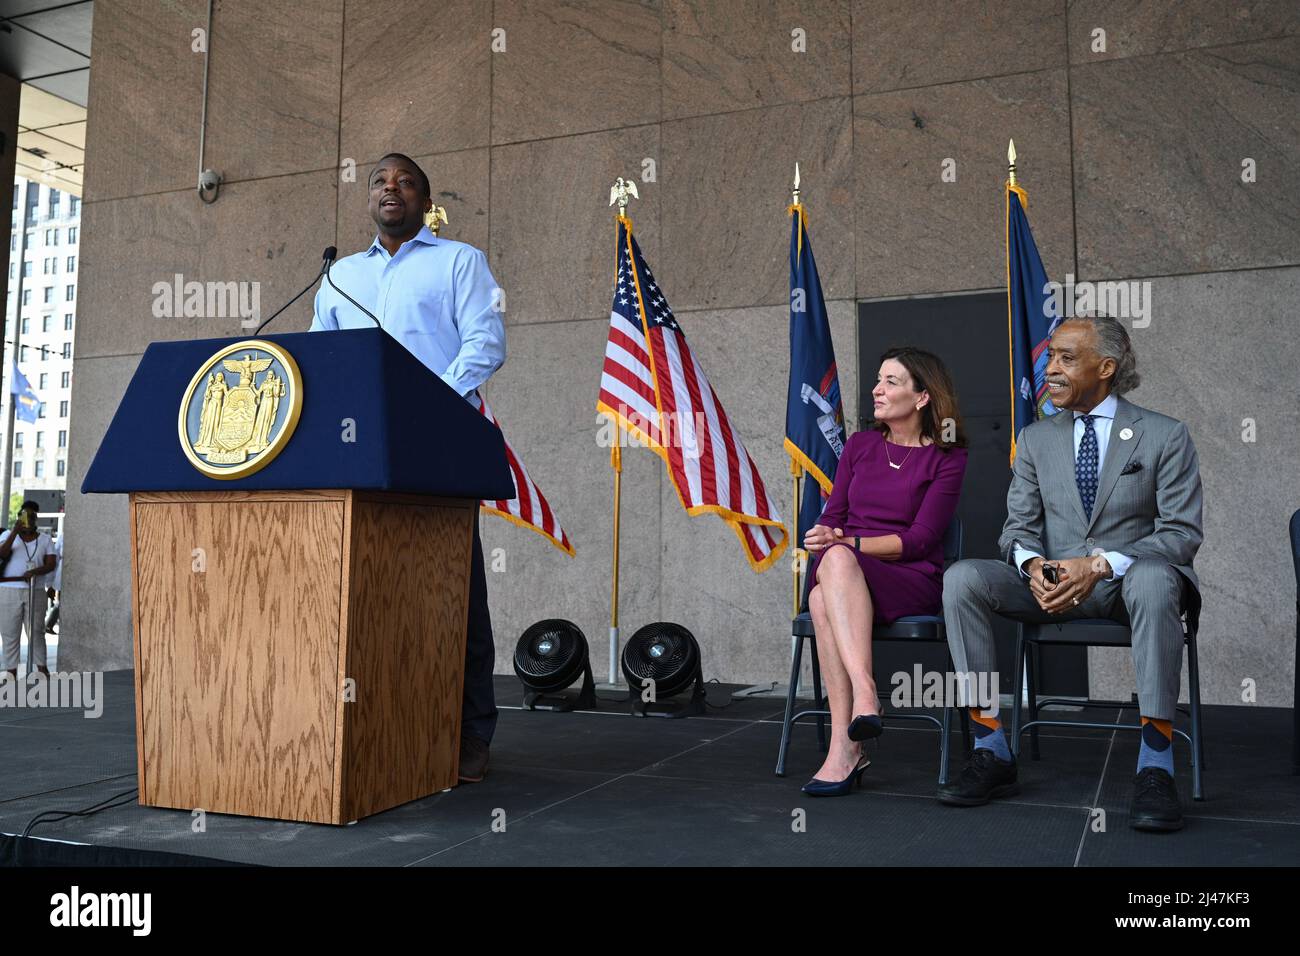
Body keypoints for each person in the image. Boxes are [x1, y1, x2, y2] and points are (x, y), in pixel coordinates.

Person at [941, 315, 1203, 831]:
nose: (1050, 368)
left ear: (1105, 367)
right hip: (1052, 586)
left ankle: (1155, 765)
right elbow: (1016, 529)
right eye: (1049, 357)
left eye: (1065, 357)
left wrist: (1101, 564)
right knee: (962, 577)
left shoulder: (1165, 435)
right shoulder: (1036, 439)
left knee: (1155, 576)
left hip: (1129, 586)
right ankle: (991, 747)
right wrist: (1033, 565)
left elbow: (1181, 533)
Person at [310, 152, 506, 783]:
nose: (390, 189)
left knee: (456, 593)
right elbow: (322, 357)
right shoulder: (340, 276)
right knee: (372, 593)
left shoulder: (458, 262)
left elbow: (484, 344)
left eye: (405, 182)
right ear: (368, 199)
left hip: (437, 445)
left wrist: (427, 406)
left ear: (425, 201)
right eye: (379, 182)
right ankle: (386, 724)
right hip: (358, 451)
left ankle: (471, 730)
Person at [801, 347, 968, 796]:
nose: (877, 389)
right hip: (846, 574)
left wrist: (844, 544)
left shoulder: (947, 457)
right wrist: (823, 536)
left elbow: (919, 541)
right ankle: (859, 713)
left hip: (909, 578)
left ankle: (850, 737)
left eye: (891, 382)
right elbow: (833, 515)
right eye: (879, 379)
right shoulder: (859, 446)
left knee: (824, 588)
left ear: (922, 398)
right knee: (826, 580)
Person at [0, 502, 58, 680]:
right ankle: (11, 671)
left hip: (36, 589)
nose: (28, 520)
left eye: (32, 517)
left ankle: (41, 668)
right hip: (9, 589)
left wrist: (35, 572)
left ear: (36, 520)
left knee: (36, 631)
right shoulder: (7, 535)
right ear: (18, 517)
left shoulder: (45, 539)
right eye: (25, 516)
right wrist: (15, 532)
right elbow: (2, 554)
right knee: (10, 631)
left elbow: (51, 564)